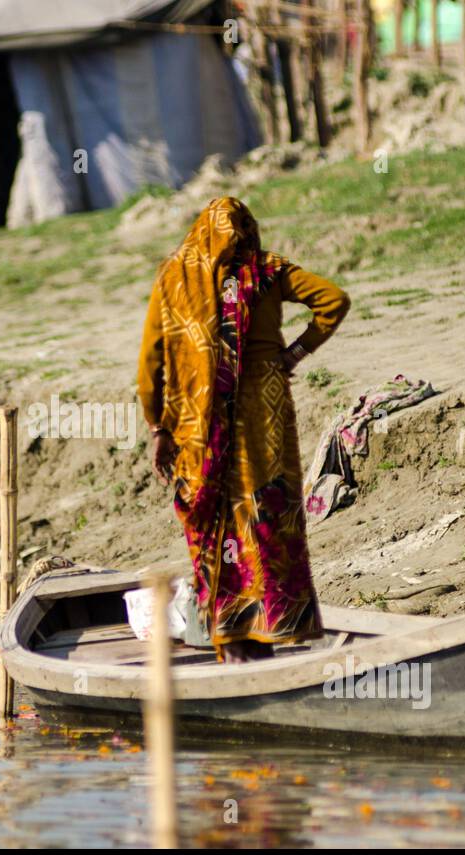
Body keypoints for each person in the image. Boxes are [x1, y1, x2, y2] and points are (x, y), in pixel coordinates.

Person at [136, 197, 349, 664]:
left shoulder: (175, 275)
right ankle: (276, 625)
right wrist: (294, 352)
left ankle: (229, 638)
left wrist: (158, 428)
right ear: (250, 230)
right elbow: (334, 300)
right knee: (265, 510)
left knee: (218, 519)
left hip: (197, 426)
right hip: (265, 409)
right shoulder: (268, 271)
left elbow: (151, 360)